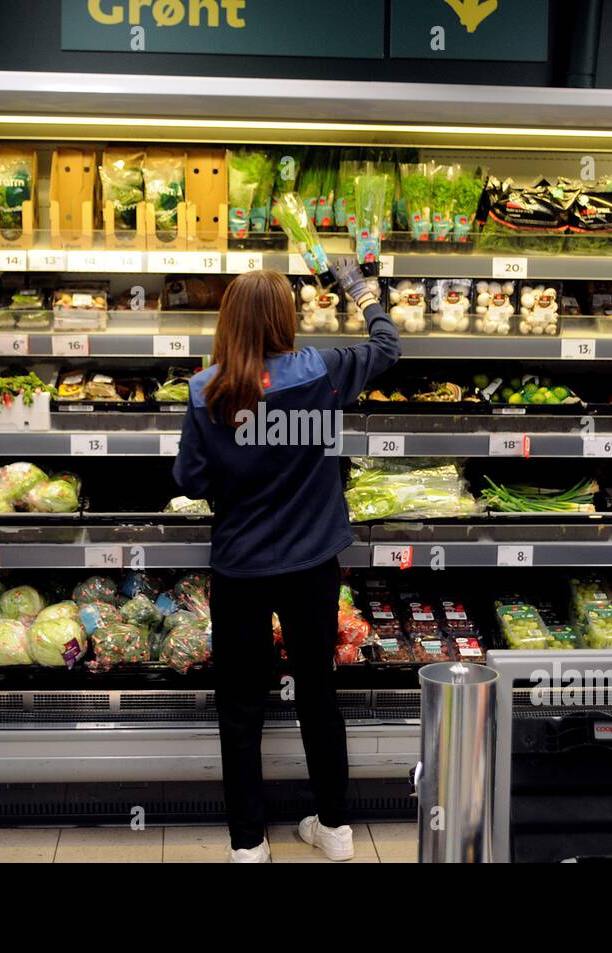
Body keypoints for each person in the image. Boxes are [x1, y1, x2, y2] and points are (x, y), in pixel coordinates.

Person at [172, 259, 400, 863]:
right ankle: (336, 829)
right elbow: (388, 345)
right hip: (312, 563)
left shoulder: (207, 390)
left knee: (240, 708)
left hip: (242, 565)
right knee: (318, 693)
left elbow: (190, 480)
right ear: (284, 318)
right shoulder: (322, 371)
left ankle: (249, 845)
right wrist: (363, 294)